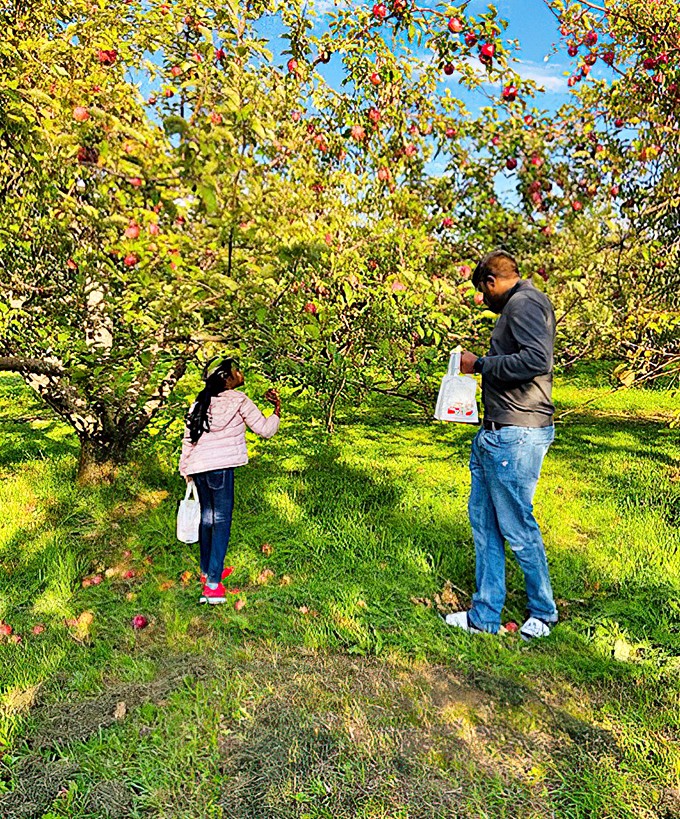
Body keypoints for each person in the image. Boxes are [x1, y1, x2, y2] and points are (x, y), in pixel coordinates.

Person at [444, 249, 559, 640]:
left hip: (516, 433)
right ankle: (485, 615)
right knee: (486, 525)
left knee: (516, 526)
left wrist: (479, 365)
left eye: (482, 291)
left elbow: (536, 360)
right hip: (496, 432)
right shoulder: (524, 304)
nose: (483, 299)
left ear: (491, 282)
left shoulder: (525, 303)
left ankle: (543, 612)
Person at [179, 358, 280, 605]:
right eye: (236, 369)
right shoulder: (239, 400)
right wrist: (277, 409)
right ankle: (213, 586)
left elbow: (188, 439)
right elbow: (265, 430)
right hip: (221, 468)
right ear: (226, 377)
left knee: (207, 518)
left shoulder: (200, 402)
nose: (240, 372)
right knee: (221, 522)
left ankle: (207, 571)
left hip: (199, 468)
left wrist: (185, 468)